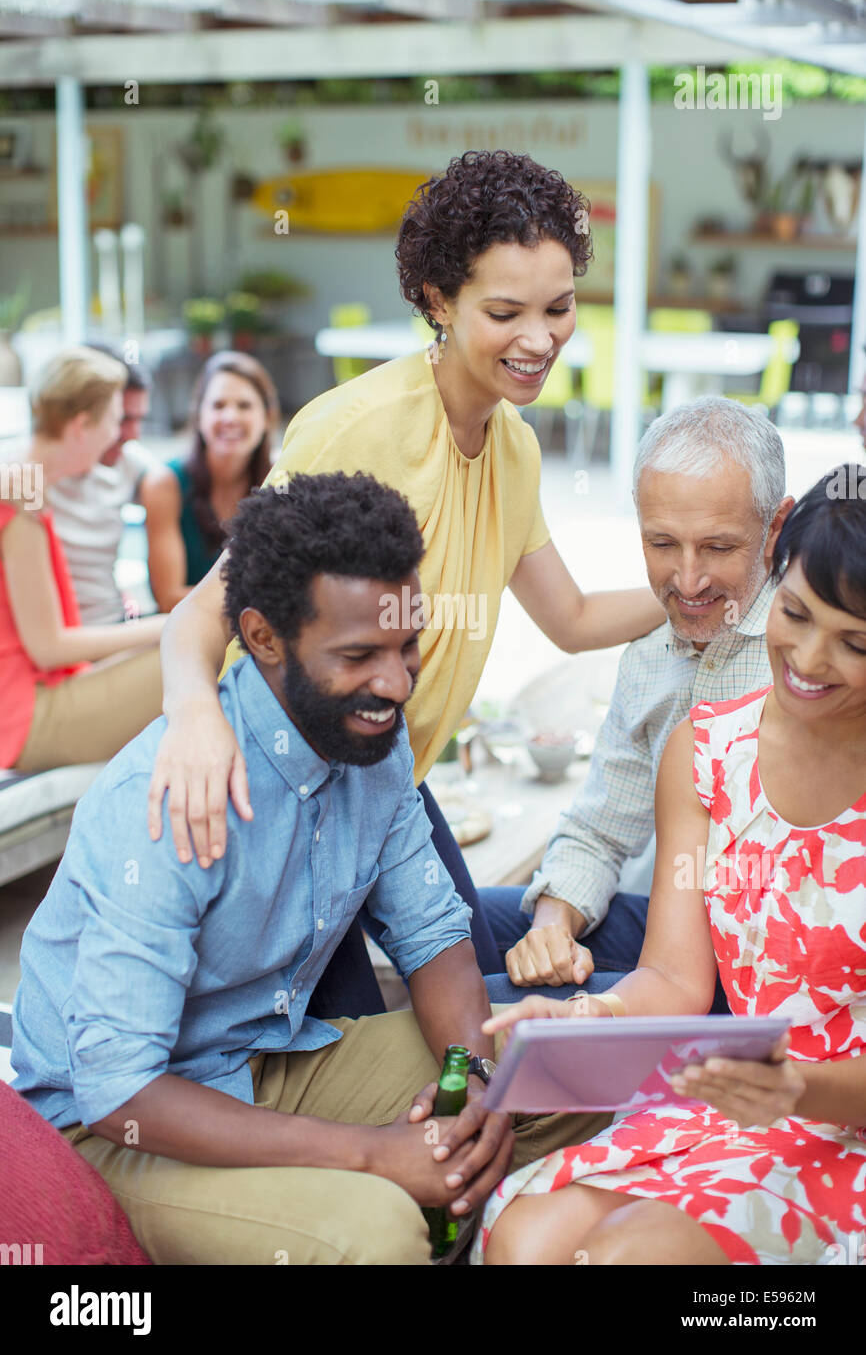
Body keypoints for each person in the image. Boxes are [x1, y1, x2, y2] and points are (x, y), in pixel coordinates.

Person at [11, 472, 600, 1266]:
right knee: (374, 1229)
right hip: (120, 1125)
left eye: (407, 645)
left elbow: (431, 938)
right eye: (359, 655)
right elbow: (118, 1090)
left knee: (562, 1078)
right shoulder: (169, 795)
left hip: (271, 1061)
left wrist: (479, 1085)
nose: (394, 685)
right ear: (261, 638)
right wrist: (367, 1152)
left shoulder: (374, 742)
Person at [144, 150, 665, 1005]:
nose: (540, 339)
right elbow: (201, 617)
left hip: (389, 792)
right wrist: (193, 718)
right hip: (282, 799)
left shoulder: (515, 447)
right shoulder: (358, 430)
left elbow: (568, 616)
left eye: (560, 307)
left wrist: (706, 590)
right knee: (354, 1044)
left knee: (480, 1005)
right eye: (505, 312)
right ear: (436, 300)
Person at [473, 465, 866, 1266]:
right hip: (734, 1103)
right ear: (772, 578)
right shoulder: (707, 750)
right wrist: (585, 1022)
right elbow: (675, 981)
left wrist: (798, 1086)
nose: (811, 659)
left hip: (845, 1128)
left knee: (624, 1259)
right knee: (524, 1239)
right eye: (794, 613)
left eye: (856, 642)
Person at [481, 396, 795, 1004]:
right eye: (662, 544)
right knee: (453, 931)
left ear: (775, 527)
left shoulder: (810, 650)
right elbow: (600, 829)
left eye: (719, 547)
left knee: (494, 1006)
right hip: (674, 936)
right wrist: (552, 927)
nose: (688, 579)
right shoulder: (651, 654)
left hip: (780, 961)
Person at [0, 347, 164, 771]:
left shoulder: (22, 479)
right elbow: (49, 646)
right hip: (25, 718)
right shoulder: (20, 494)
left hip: (35, 699)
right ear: (80, 426)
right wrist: (166, 625)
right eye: (113, 420)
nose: (118, 435)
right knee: (205, 643)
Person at [139, 350, 276, 613]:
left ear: (267, 417)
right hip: (187, 638)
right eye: (218, 405)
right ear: (199, 416)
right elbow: (169, 598)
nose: (230, 417)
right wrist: (264, 598)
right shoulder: (164, 484)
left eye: (244, 406)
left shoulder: (281, 482)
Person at [49, 351, 155, 624]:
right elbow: (48, 644)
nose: (133, 435)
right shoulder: (24, 479)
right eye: (121, 419)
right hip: (68, 639)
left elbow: (170, 481)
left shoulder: (131, 463)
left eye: (139, 419)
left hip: (112, 624)